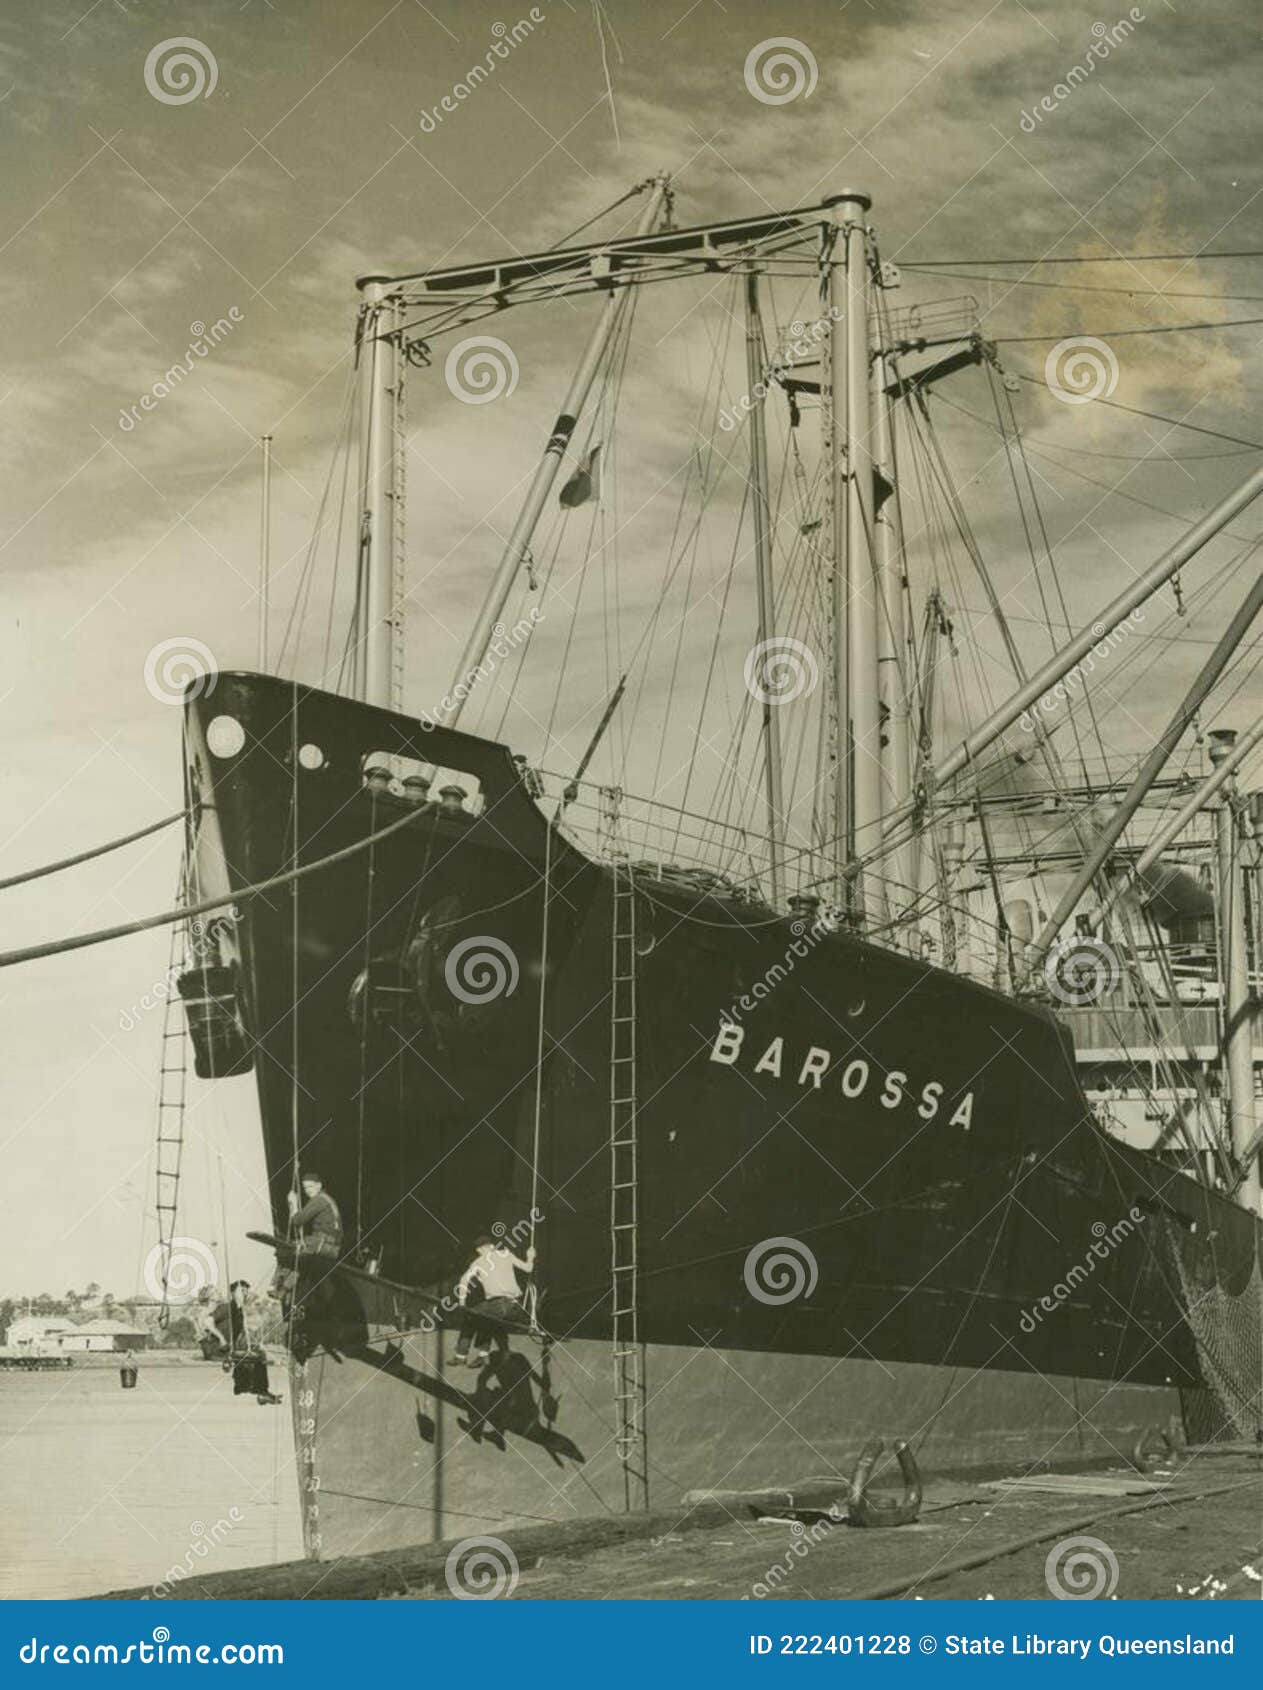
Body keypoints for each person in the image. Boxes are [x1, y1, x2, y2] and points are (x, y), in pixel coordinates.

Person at [452, 1233, 536, 1368]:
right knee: (487, 1319)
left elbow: (463, 1280)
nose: (479, 1252)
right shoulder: (507, 1254)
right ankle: (483, 1355)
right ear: (492, 1246)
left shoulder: (478, 1262)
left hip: (498, 1305)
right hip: (516, 1307)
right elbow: (528, 1268)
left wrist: (462, 1303)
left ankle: (463, 1356)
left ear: (480, 1249)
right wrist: (530, 1257)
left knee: (471, 1316)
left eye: (479, 1250)